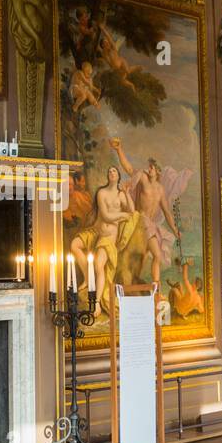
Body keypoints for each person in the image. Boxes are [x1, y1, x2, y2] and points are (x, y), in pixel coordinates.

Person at [69, 166, 139, 323]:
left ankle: (97, 302)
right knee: (74, 245)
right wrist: (122, 215)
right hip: (95, 232)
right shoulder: (102, 192)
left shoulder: (121, 195)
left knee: (99, 265)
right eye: (109, 171)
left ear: (119, 176)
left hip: (107, 238)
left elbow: (133, 211)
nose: (111, 173)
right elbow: (106, 216)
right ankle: (87, 278)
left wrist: (127, 193)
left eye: (114, 171)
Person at [110, 137, 183, 285]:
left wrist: (175, 230)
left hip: (150, 225)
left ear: (158, 171)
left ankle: (150, 287)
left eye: (152, 167)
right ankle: (154, 284)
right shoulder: (142, 178)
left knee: (146, 256)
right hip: (141, 220)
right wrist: (119, 150)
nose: (148, 169)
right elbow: (129, 169)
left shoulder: (161, 190)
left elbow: (168, 213)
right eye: (149, 166)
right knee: (156, 254)